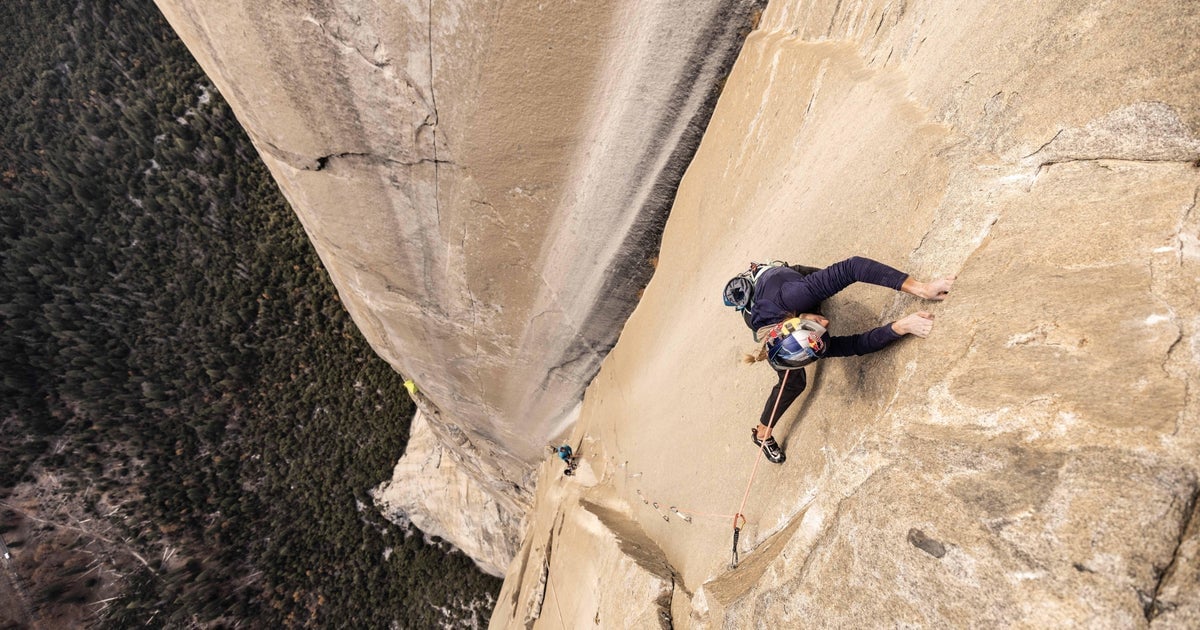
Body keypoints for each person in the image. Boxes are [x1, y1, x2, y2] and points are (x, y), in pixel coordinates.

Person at [727, 256, 954, 464]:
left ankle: (801, 296)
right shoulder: (794, 345)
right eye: (818, 333)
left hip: (779, 282)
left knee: (824, 286)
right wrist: (900, 327)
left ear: (794, 323)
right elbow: (856, 345)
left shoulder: (793, 294)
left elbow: (853, 267)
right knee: (794, 380)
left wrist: (923, 289)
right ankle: (762, 433)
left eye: (814, 326)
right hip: (765, 319)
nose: (825, 324)